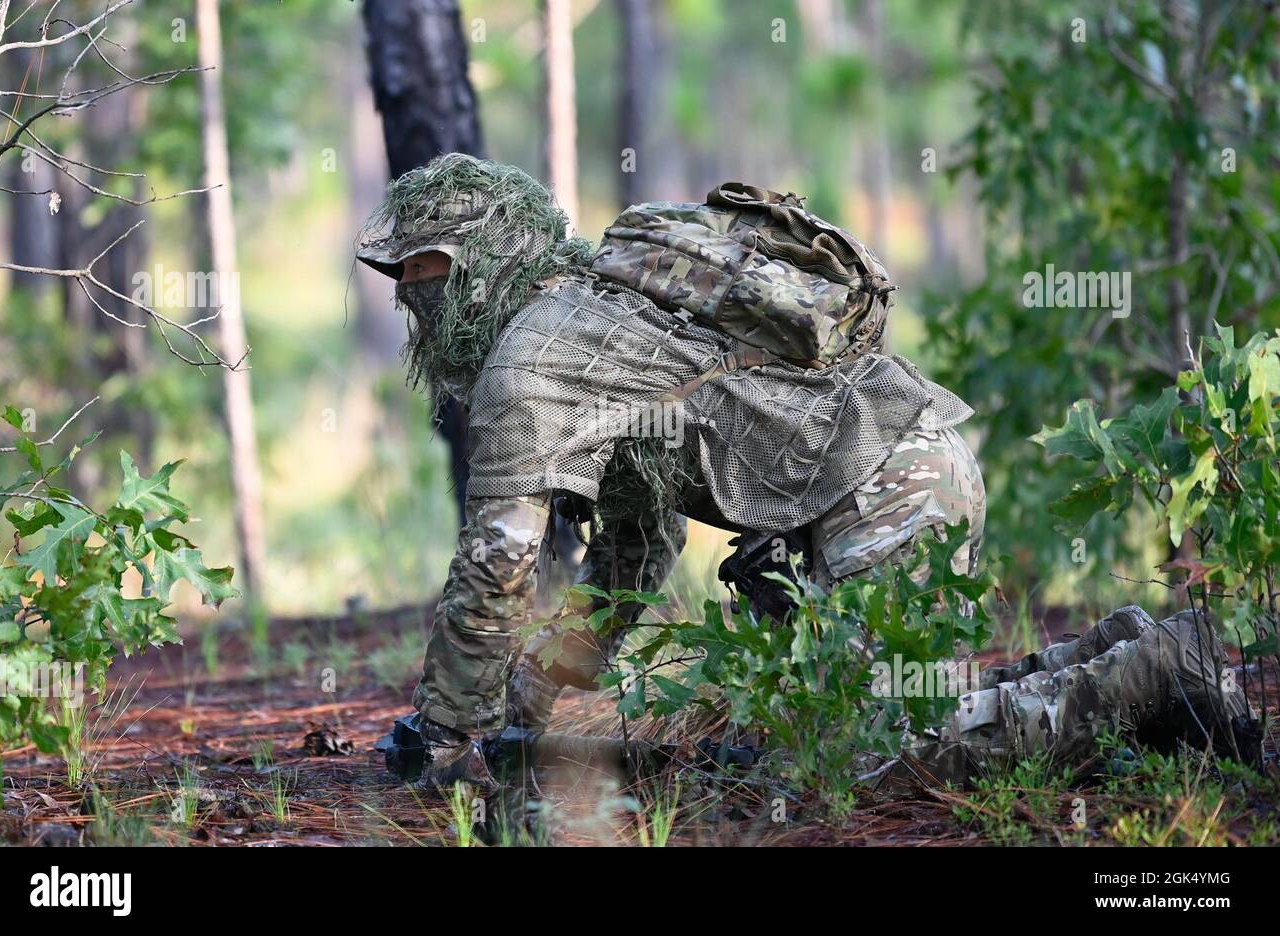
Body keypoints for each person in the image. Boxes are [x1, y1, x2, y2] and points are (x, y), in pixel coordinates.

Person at [356, 154, 1255, 793]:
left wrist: (444, 734)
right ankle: (1116, 654)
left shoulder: (531, 362)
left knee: (885, 757)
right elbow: (642, 540)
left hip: (884, 484)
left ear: (493, 255)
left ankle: (1160, 669)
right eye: (397, 273)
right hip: (893, 464)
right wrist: (533, 702)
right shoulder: (588, 321)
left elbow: (494, 566)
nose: (406, 293)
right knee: (871, 725)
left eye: (425, 267)